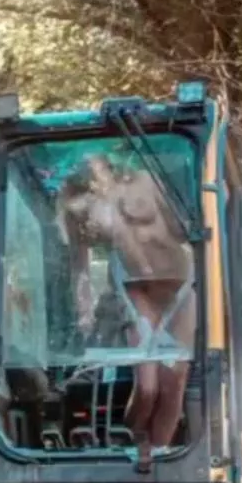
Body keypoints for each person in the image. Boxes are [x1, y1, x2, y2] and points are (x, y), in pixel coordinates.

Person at [56, 154, 195, 458]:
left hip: (180, 288)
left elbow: (191, 230)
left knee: (174, 385)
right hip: (137, 292)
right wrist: (83, 311)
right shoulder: (76, 206)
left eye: (97, 164)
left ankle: (156, 456)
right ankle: (131, 450)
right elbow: (79, 267)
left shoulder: (146, 180)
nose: (93, 169)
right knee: (147, 387)